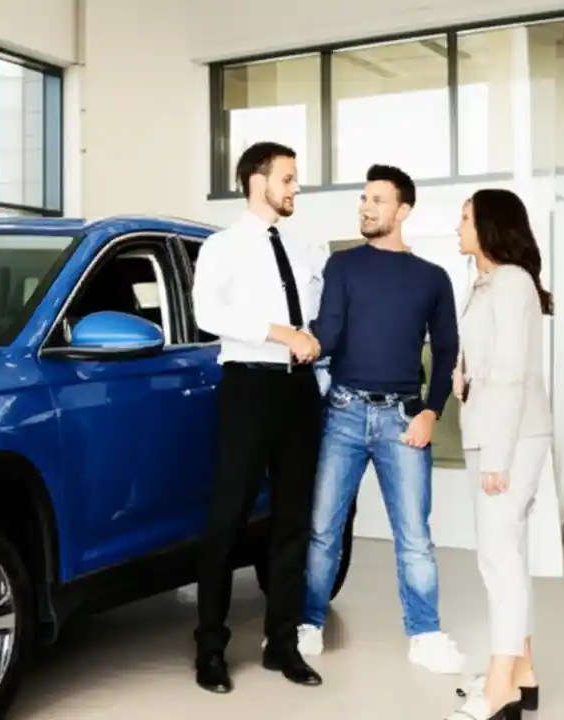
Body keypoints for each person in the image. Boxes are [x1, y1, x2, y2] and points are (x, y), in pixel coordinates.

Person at [300, 164, 467, 675]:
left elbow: (446, 350)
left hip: (403, 421)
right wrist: (291, 338)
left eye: (377, 200)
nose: (366, 207)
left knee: (414, 535)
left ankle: (425, 633)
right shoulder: (342, 267)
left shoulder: (432, 279)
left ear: (403, 210)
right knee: (324, 529)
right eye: (363, 199)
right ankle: (308, 621)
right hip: (344, 414)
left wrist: (431, 413)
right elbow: (327, 332)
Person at [190, 141, 325, 694]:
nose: (296, 189)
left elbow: (318, 315)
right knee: (227, 521)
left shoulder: (306, 246)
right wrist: (279, 332)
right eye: (288, 179)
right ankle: (210, 650)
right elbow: (207, 314)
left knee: (294, 521)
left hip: (300, 392)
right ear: (256, 180)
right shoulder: (221, 247)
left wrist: (314, 339)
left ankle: (283, 645)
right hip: (249, 385)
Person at [447, 188, 556, 720]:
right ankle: (522, 671)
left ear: (489, 224)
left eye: (465, 217)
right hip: (492, 430)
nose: (457, 226)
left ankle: (500, 688)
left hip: (508, 439)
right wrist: (465, 378)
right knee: (507, 552)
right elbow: (494, 362)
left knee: (498, 558)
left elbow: (513, 374)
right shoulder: (487, 283)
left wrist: (497, 457)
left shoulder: (511, 283)